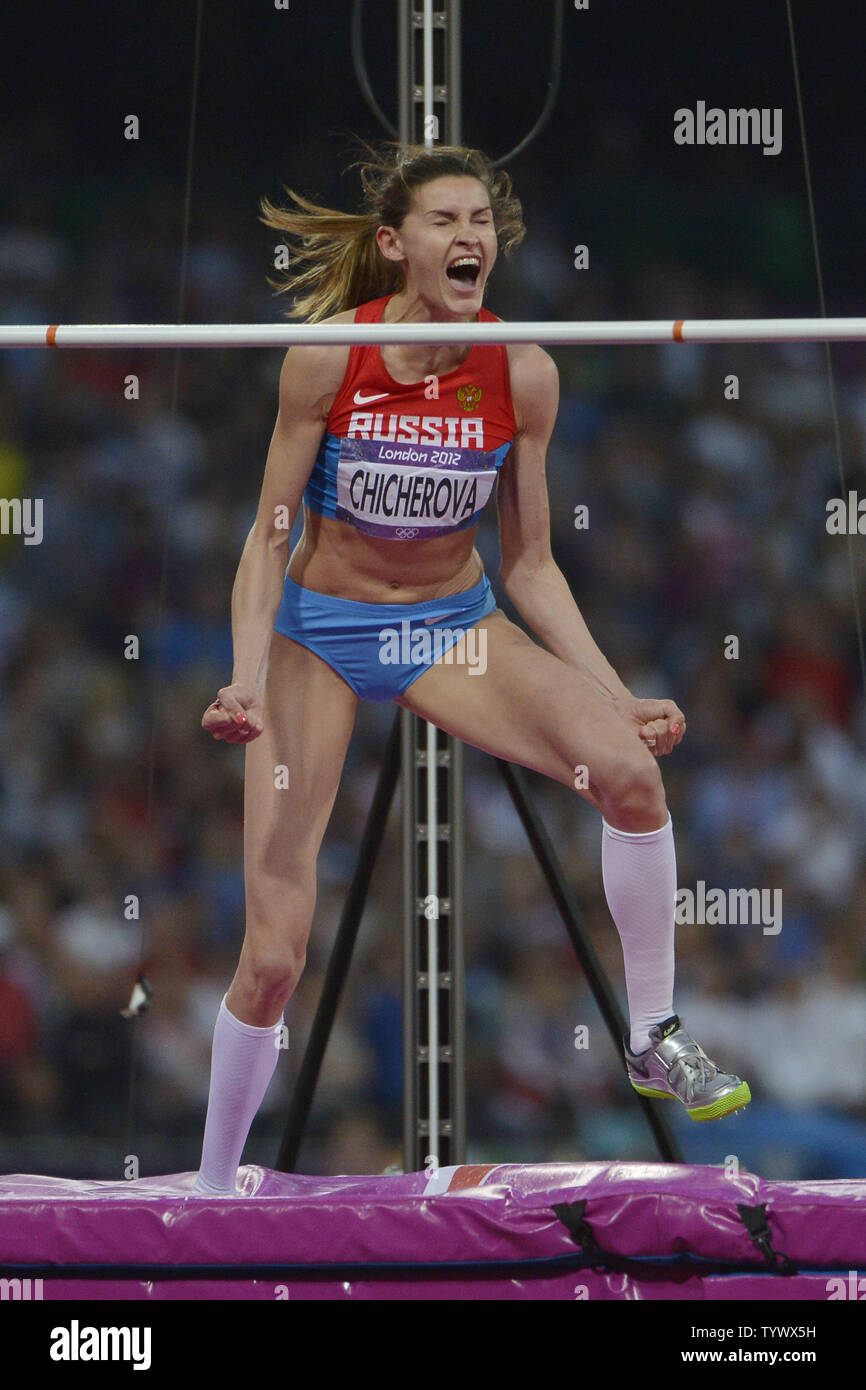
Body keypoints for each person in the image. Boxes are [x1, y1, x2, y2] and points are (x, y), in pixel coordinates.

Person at [192, 142, 749, 1196]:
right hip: (319, 629)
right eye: (444, 222)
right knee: (273, 956)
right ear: (397, 247)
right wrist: (246, 677)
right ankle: (211, 1192)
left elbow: (529, 563)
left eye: (480, 223)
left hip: (449, 623)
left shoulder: (521, 372)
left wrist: (616, 692)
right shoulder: (323, 361)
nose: (468, 239)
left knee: (629, 777)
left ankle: (651, 1036)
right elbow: (266, 535)